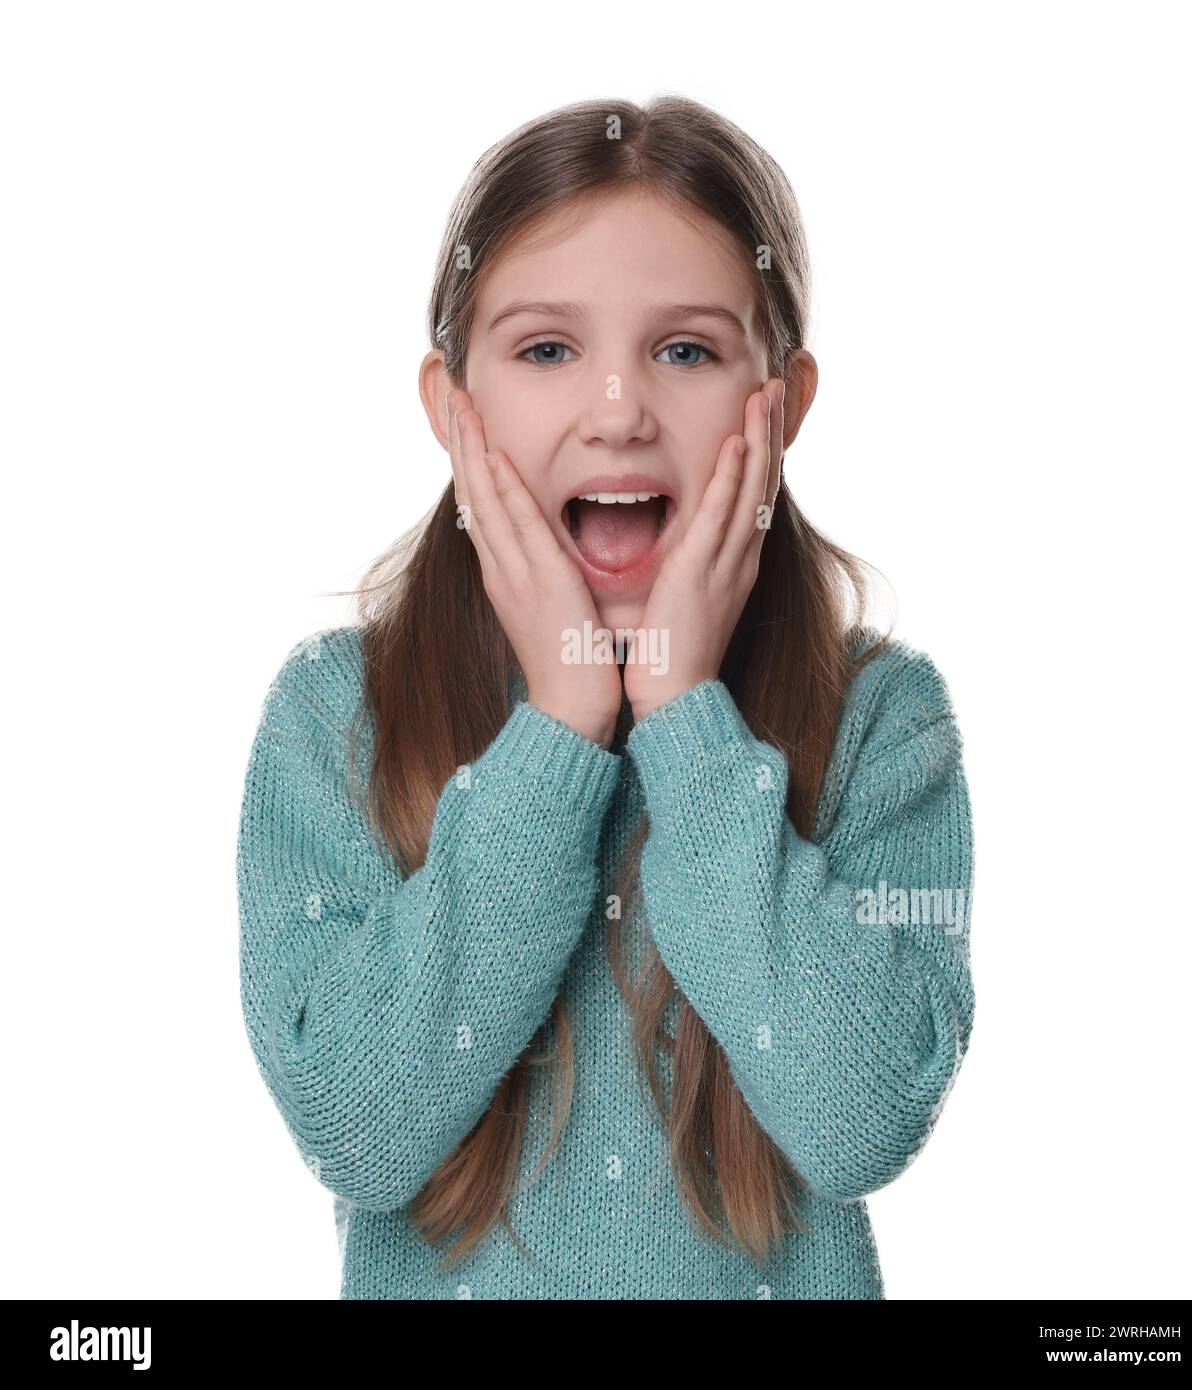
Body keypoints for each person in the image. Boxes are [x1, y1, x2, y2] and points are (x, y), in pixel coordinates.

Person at [236, 94, 975, 1300]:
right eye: (545, 350)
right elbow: (357, 1130)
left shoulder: (884, 720)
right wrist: (560, 727)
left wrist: (683, 719)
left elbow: (864, 1118)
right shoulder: (336, 715)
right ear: (450, 407)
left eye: (685, 350)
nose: (620, 408)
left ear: (778, 403)